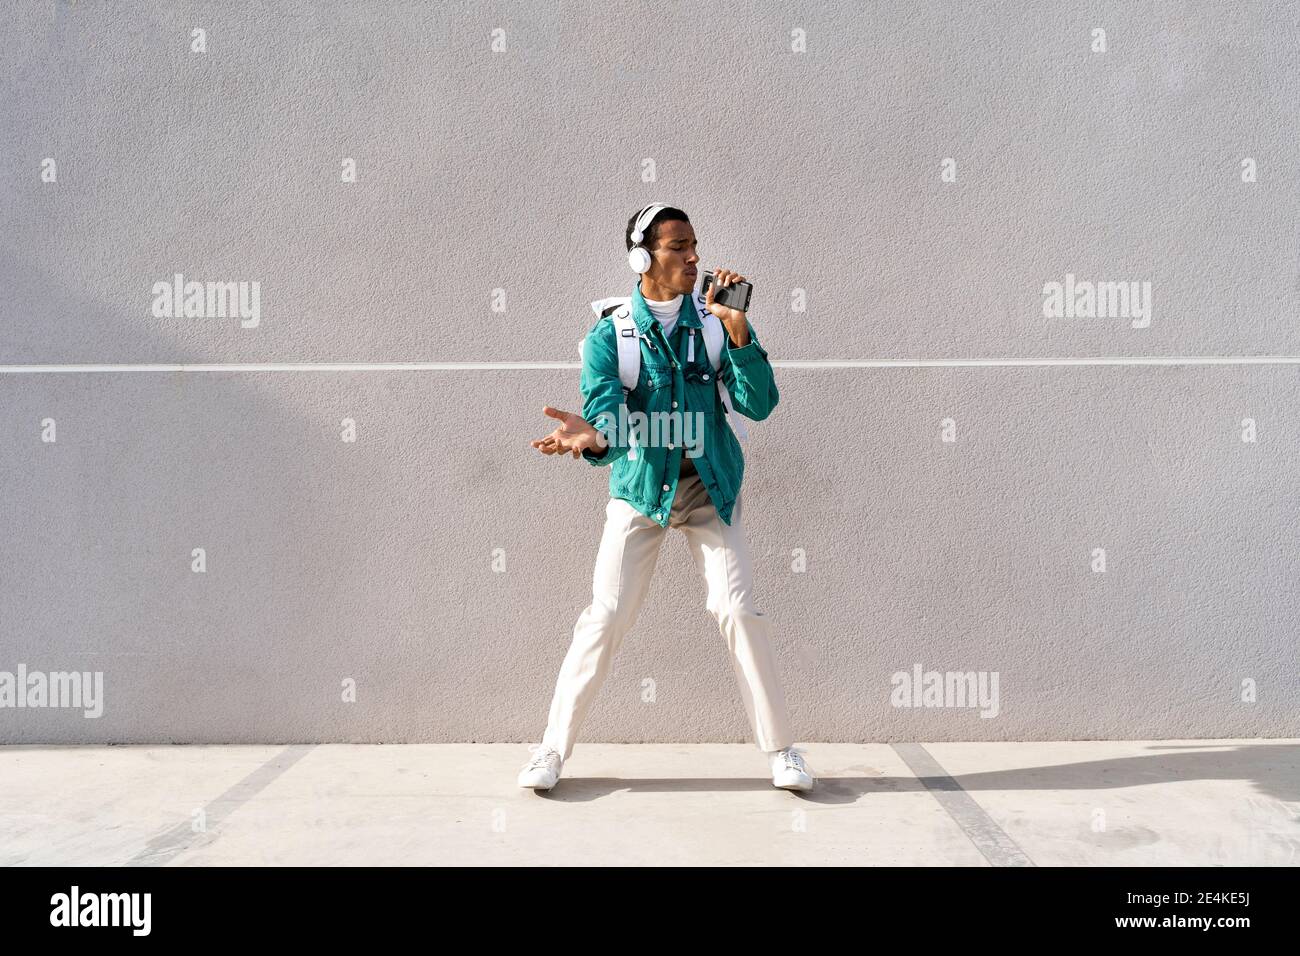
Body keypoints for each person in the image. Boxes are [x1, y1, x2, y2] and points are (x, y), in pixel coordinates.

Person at [520, 203, 815, 792]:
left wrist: (739, 330)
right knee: (606, 615)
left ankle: (783, 751)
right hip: (641, 490)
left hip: (710, 487)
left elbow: (759, 405)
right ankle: (551, 749)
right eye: (678, 246)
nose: (693, 257)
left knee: (737, 610)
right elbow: (607, 414)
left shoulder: (716, 322)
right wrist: (593, 436)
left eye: (694, 244)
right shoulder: (612, 336)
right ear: (642, 258)